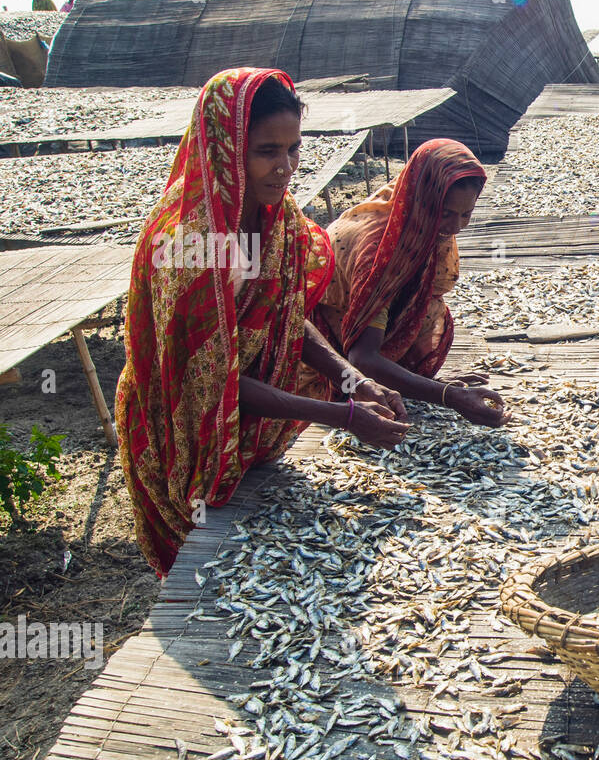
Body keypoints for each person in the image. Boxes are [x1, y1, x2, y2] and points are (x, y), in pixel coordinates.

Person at [116, 68, 409, 576]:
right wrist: (342, 415)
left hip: (249, 418)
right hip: (183, 425)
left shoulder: (279, 219)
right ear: (225, 149)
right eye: (266, 151)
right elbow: (209, 383)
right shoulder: (190, 242)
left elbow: (286, 318)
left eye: (293, 149)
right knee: (204, 568)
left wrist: (353, 381)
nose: (285, 167)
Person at [299, 139, 511, 427]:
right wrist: (448, 396)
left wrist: (435, 388)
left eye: (466, 214)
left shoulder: (419, 221)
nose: (456, 227)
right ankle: (362, 386)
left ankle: (402, 378)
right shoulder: (379, 248)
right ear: (423, 198)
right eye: (446, 213)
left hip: (369, 326)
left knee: (430, 307)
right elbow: (362, 358)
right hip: (328, 348)